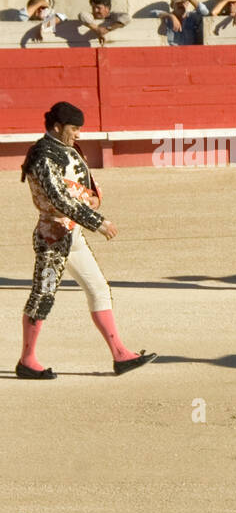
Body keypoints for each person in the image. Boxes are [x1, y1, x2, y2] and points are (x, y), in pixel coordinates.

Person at [17, 101, 155, 380]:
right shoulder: (44, 155)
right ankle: (27, 360)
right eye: (74, 128)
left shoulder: (65, 148)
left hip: (73, 234)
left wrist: (95, 199)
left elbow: (86, 185)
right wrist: (98, 222)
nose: (78, 134)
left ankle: (120, 354)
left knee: (99, 289)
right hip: (52, 236)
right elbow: (58, 198)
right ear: (57, 127)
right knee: (43, 295)